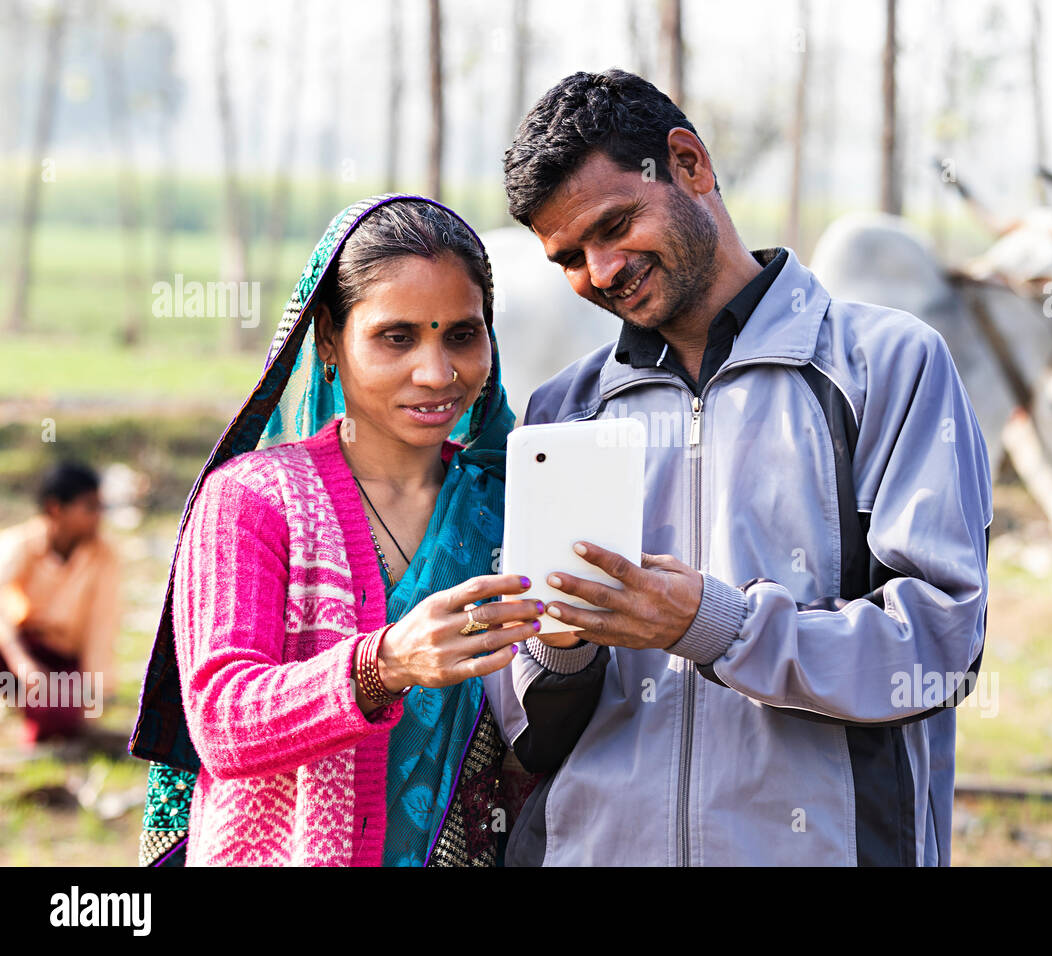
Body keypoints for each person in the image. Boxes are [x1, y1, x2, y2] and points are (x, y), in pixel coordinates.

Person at [487, 69, 994, 866]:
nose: (602, 269)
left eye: (616, 224)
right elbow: (526, 729)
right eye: (570, 257)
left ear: (688, 165)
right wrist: (559, 650)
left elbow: (936, 647)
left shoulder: (887, 368)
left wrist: (712, 627)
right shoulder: (563, 409)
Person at [129, 196, 548, 867]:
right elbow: (220, 718)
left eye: (462, 336)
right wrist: (383, 666)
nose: (437, 373)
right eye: (398, 337)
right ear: (328, 338)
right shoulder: (252, 502)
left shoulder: (508, 510)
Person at [0, 462, 119, 746]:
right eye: (89, 507)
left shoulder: (105, 555)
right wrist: (22, 664)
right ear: (56, 509)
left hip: (63, 659)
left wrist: (97, 690)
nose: (98, 516)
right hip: (18, 648)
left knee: (60, 715)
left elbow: (102, 626)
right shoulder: (20, 544)